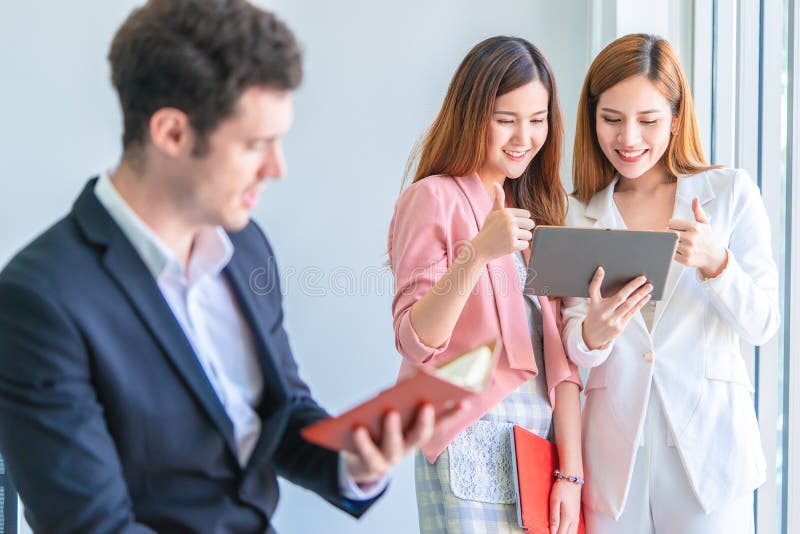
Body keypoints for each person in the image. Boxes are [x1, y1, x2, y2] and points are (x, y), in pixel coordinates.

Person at [0, 1, 454, 532]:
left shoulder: (245, 247)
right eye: (256, 145)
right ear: (171, 133)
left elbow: (278, 415)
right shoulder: (38, 301)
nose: (278, 168)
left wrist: (351, 461)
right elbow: (94, 526)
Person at [563, 33, 781, 533]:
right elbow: (573, 343)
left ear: (677, 118)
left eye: (649, 120)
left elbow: (764, 323)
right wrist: (593, 332)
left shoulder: (729, 193)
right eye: (611, 120)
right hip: (615, 457)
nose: (629, 139)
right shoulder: (577, 213)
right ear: (592, 117)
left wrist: (717, 264)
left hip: (710, 453)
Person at [388, 36, 584, 534]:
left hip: (539, 446)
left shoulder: (541, 213)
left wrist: (571, 472)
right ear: (472, 114)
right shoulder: (432, 199)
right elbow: (416, 341)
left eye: (537, 120)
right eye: (506, 119)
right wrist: (477, 252)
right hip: (469, 436)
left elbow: (560, 365)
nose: (524, 136)